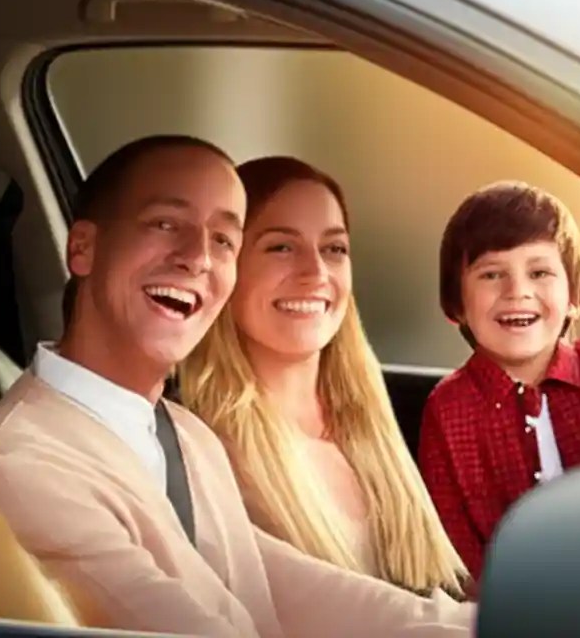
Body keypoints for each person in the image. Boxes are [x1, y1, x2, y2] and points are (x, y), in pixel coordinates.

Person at [0, 135, 475, 637]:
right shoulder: (22, 468)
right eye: (166, 224)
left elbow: (286, 586)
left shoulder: (185, 436)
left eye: (223, 240)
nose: (197, 257)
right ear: (83, 249)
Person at [178, 156, 467, 598]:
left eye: (334, 249)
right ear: (226, 267)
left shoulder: (371, 430)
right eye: (281, 247)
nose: (316, 273)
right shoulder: (200, 451)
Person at [418, 180, 580, 585]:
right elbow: (455, 551)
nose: (517, 291)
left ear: (574, 295)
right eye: (491, 274)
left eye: (539, 272)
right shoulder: (449, 410)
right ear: (457, 304)